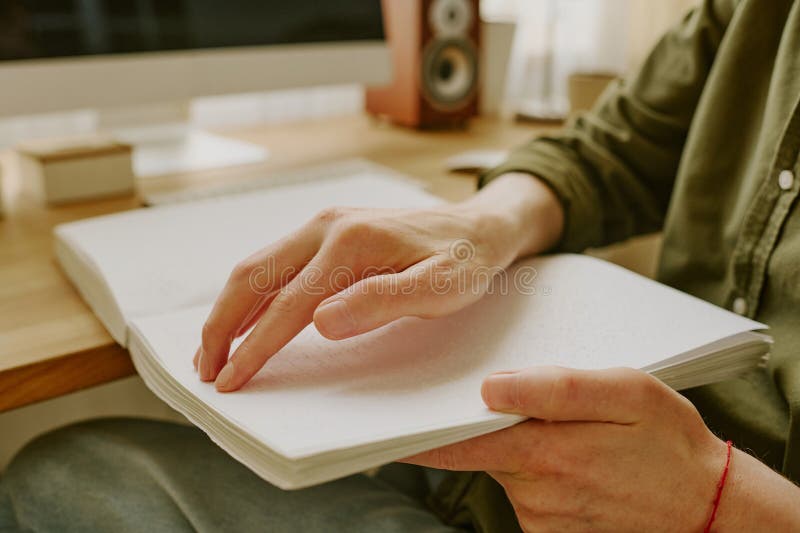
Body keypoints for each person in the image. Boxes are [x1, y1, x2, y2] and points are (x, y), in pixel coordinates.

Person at [2, 0, 800, 530]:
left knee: (59, 479)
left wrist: (715, 497)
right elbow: (608, 151)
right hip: (510, 465)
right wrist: (481, 222)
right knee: (83, 466)